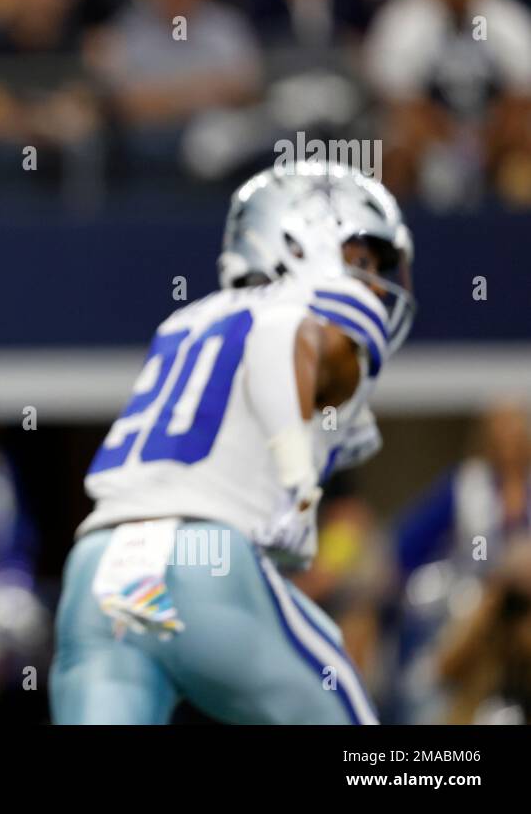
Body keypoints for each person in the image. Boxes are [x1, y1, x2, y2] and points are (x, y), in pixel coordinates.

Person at [51, 161, 415, 724]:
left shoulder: (186, 321)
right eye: (361, 260)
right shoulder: (294, 312)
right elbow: (282, 336)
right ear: (297, 245)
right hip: (203, 560)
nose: (373, 284)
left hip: (98, 569)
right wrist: (298, 484)